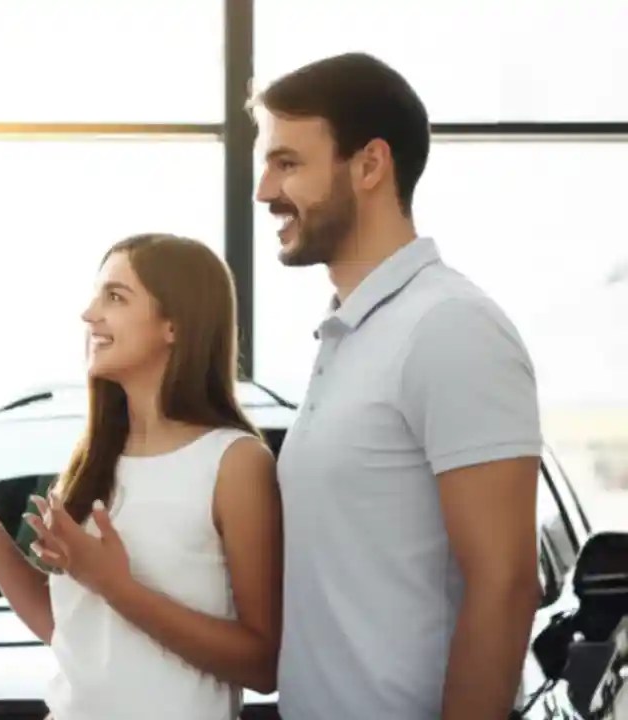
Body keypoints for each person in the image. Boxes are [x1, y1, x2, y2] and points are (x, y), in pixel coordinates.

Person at [250, 52, 542, 720]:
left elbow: (504, 584)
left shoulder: (450, 327)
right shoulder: (352, 335)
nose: (264, 191)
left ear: (371, 165)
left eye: (288, 163)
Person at [0, 233, 283, 720]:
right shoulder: (90, 462)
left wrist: (116, 586)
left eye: (115, 297)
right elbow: (72, 634)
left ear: (175, 324)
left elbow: (261, 665)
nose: (89, 314)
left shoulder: (235, 462)